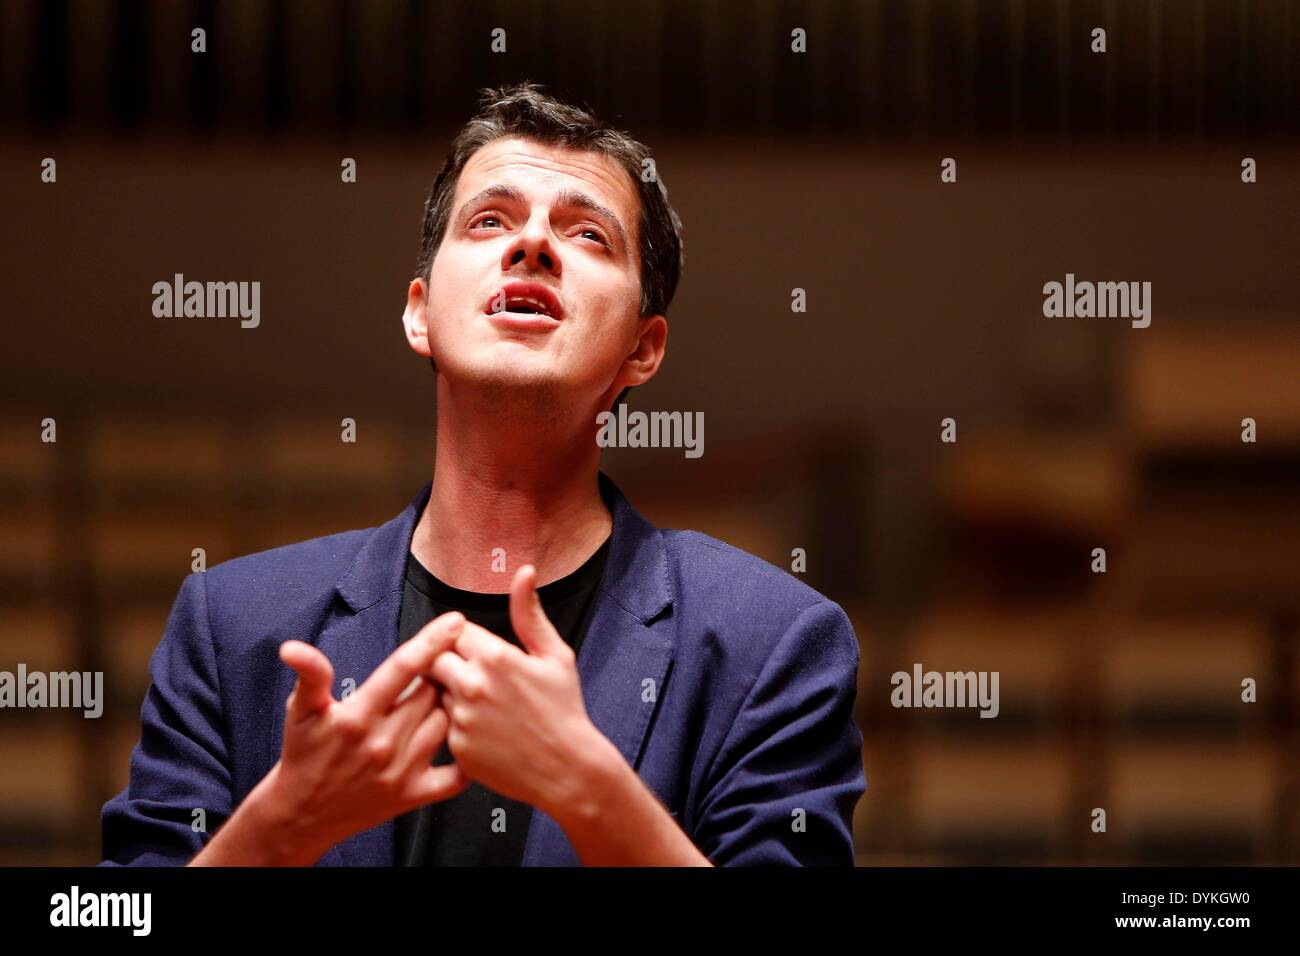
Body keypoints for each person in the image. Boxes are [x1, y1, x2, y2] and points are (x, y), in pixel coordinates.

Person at [100, 83, 866, 867]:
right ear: (419, 312)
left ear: (644, 347)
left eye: (589, 235)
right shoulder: (232, 627)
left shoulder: (770, 642)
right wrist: (278, 831)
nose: (531, 243)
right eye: (490, 220)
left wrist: (591, 791)